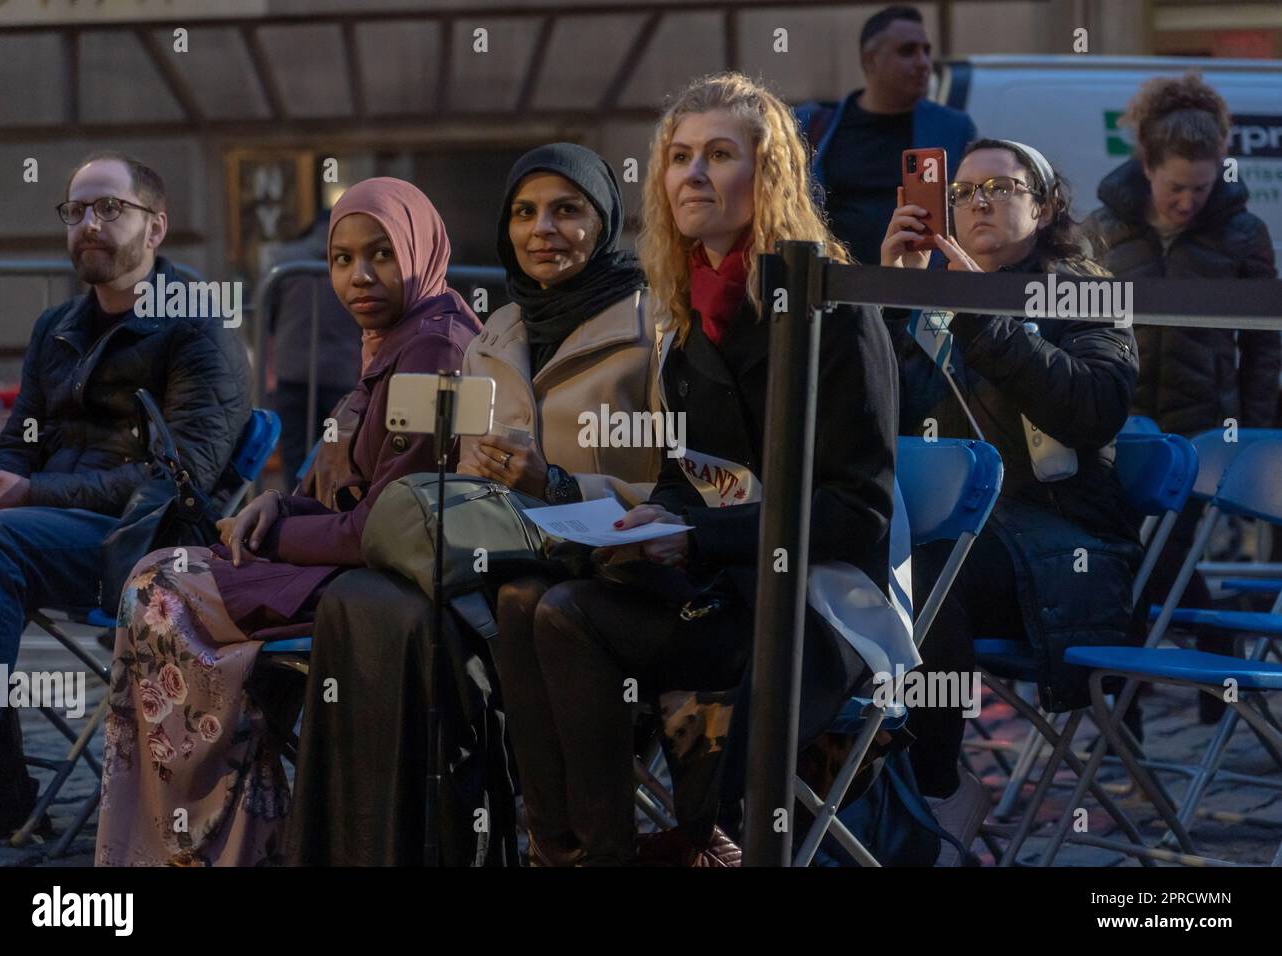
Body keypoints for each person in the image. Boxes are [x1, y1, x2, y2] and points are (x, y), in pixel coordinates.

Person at [506, 72, 900, 866]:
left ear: (769, 172)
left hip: (813, 608)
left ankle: (687, 838)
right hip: (724, 589)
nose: (691, 174)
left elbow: (857, 515)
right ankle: (577, 851)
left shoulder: (834, 309)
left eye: (718, 155)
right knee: (531, 603)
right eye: (678, 157)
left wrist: (694, 536)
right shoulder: (684, 312)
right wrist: (644, 521)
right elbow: (688, 478)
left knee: (569, 616)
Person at [285, 142, 659, 866]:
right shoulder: (499, 334)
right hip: (496, 562)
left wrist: (551, 484)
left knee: (451, 612)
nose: (542, 229)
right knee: (369, 603)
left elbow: (677, 490)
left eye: (566, 210)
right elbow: (446, 480)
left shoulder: (651, 326)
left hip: (609, 563)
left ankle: (558, 846)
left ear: (606, 219)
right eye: (525, 213)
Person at [95, 178, 481, 866]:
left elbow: (381, 528)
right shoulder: (394, 339)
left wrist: (272, 533)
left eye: (382, 254)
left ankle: (215, 838)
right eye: (342, 258)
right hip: (339, 568)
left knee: (157, 590)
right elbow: (341, 492)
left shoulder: (433, 351)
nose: (358, 276)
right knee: (156, 578)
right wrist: (277, 503)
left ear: (420, 250)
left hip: (376, 586)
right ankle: (222, 827)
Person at [881, 139, 1142, 851]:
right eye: (961, 193)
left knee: (925, 567)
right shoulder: (927, 298)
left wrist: (978, 313)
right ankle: (860, 774)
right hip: (959, 539)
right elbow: (866, 418)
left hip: (1065, 551)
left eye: (1000, 186)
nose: (979, 202)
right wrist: (884, 298)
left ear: (1047, 203)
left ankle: (938, 780)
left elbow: (1093, 408)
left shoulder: (1083, 289)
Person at [0, 152, 250, 838]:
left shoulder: (197, 321)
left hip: (149, 540)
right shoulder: (57, 328)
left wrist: (29, 491)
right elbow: (21, 441)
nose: (88, 224)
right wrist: (0, 483)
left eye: (109, 208)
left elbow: (176, 476)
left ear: (155, 229)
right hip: (45, 528)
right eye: (75, 210)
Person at [1084, 73, 1279, 722]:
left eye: (1202, 187)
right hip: (1120, 422)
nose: (1189, 201)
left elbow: (1265, 347)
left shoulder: (1244, 234)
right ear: (1146, 167)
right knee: (1127, 558)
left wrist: (1251, 432)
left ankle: (1127, 703)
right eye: (1176, 188)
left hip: (1203, 431)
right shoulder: (1104, 229)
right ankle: (1202, 642)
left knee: (1159, 551)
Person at [795, 4, 975, 264]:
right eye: (907, 51)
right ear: (870, 60)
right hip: (837, 288)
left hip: (917, 289)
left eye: (926, 51)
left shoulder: (953, 129)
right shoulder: (816, 126)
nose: (923, 63)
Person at [263, 210, 363, 484]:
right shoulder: (357, 264)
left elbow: (267, 314)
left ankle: (294, 513)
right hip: (340, 371)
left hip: (292, 368)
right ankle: (328, 513)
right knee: (339, 450)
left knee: (295, 449)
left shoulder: (284, 262)